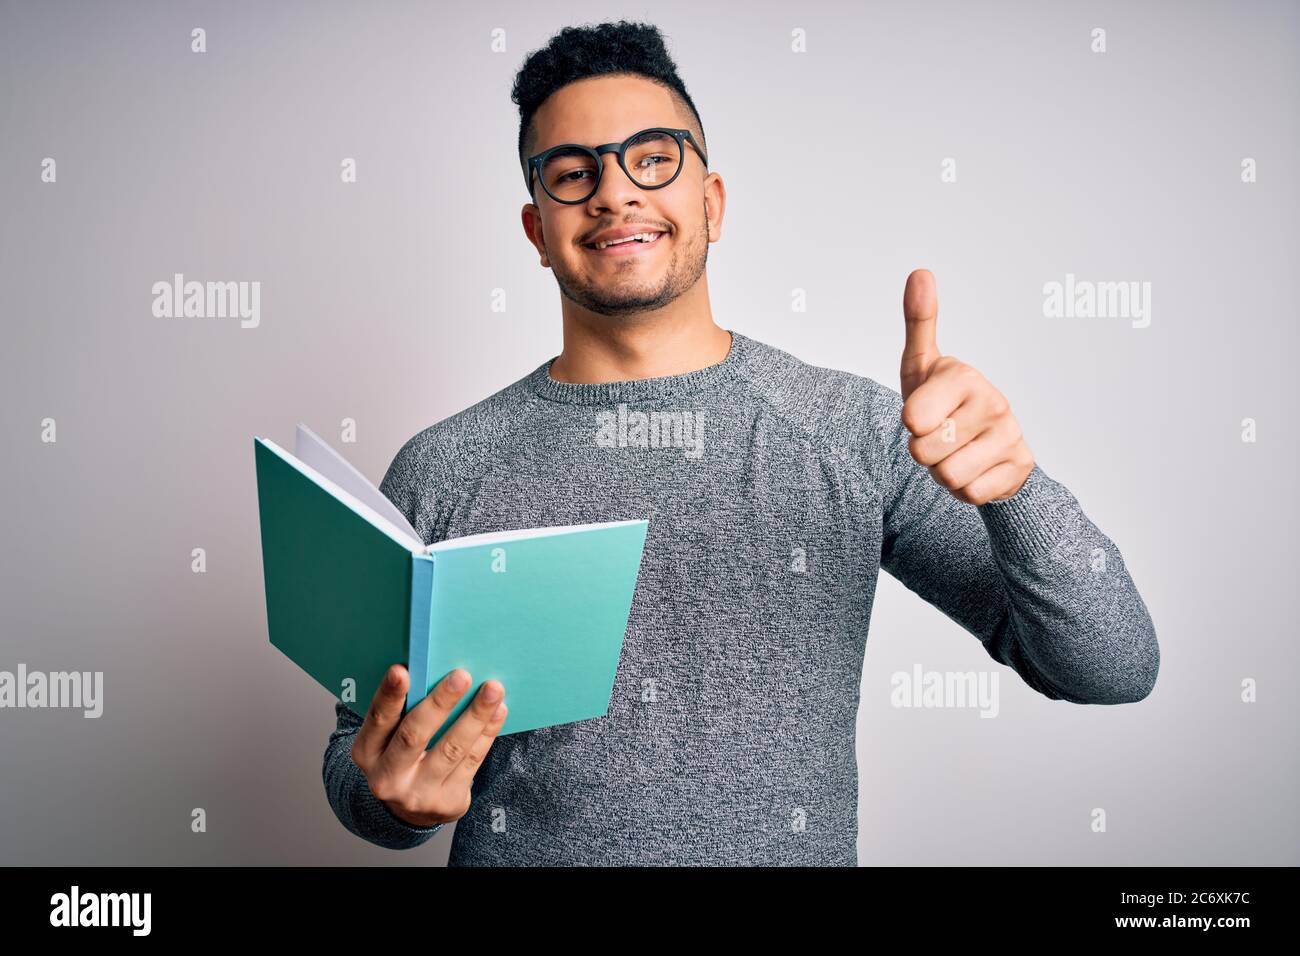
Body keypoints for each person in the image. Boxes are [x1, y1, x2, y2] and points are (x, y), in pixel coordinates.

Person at [322, 19, 1159, 866]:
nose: (615, 193)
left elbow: (1112, 669)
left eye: (652, 158)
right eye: (573, 173)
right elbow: (358, 749)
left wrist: (1019, 491)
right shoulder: (442, 468)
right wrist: (393, 804)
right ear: (538, 230)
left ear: (711, 203)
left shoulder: (853, 429)